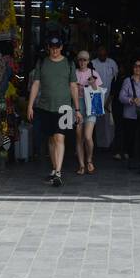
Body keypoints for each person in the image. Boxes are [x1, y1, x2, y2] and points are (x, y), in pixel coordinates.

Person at [27, 35, 80, 188]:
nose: (55, 50)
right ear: (48, 47)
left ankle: (58, 172)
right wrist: (30, 105)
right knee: (51, 139)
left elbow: (73, 86)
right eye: (52, 47)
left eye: (57, 47)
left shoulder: (69, 63)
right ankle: (55, 168)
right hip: (45, 106)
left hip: (64, 107)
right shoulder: (42, 62)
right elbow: (36, 84)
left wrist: (77, 109)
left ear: (61, 47)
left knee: (59, 138)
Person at [90, 44, 121, 159]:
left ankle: (109, 144)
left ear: (107, 54)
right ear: (98, 54)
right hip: (96, 95)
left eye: (104, 54)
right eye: (100, 53)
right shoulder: (93, 63)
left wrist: (112, 96)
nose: (102, 55)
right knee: (97, 121)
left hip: (109, 96)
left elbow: (116, 79)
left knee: (109, 121)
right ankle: (100, 144)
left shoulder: (112, 63)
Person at [74, 51, 103, 174]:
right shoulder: (74, 73)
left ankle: (89, 160)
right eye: (80, 59)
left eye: (85, 60)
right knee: (79, 137)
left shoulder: (93, 73)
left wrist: (93, 84)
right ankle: (81, 165)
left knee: (87, 136)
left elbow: (99, 91)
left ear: (88, 61)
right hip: (78, 105)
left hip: (90, 104)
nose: (82, 62)